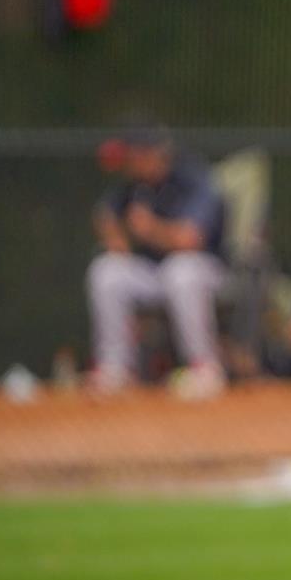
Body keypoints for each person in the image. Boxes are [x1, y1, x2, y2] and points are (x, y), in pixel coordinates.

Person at [85, 124, 229, 399]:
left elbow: (190, 240)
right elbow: (104, 213)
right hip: (154, 273)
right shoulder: (135, 185)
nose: (129, 164)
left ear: (152, 153)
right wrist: (116, 236)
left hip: (205, 271)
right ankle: (116, 370)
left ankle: (205, 369)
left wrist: (150, 229)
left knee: (181, 271)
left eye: (134, 156)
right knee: (106, 272)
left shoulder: (194, 179)